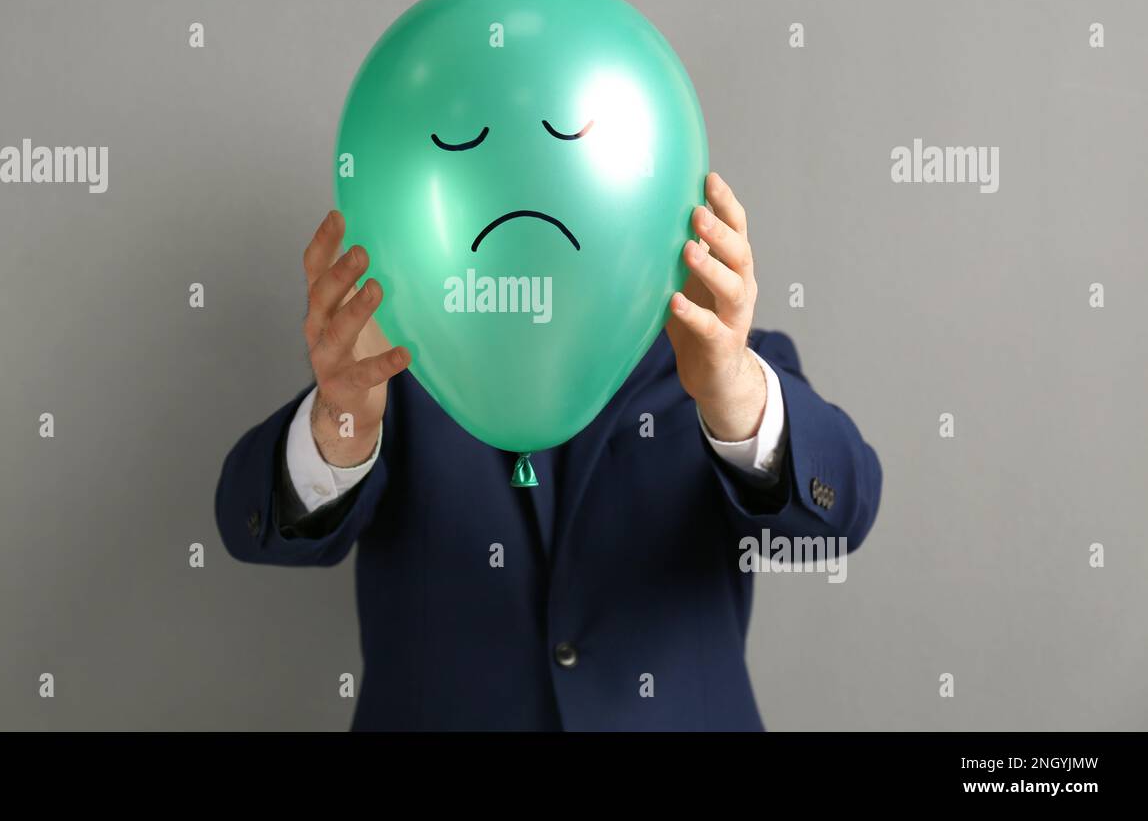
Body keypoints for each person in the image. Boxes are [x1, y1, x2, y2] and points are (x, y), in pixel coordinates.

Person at [215, 172, 882, 730]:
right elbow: (256, 528)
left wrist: (733, 389)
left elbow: (840, 518)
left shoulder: (726, 356)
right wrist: (342, 417)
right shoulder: (400, 361)